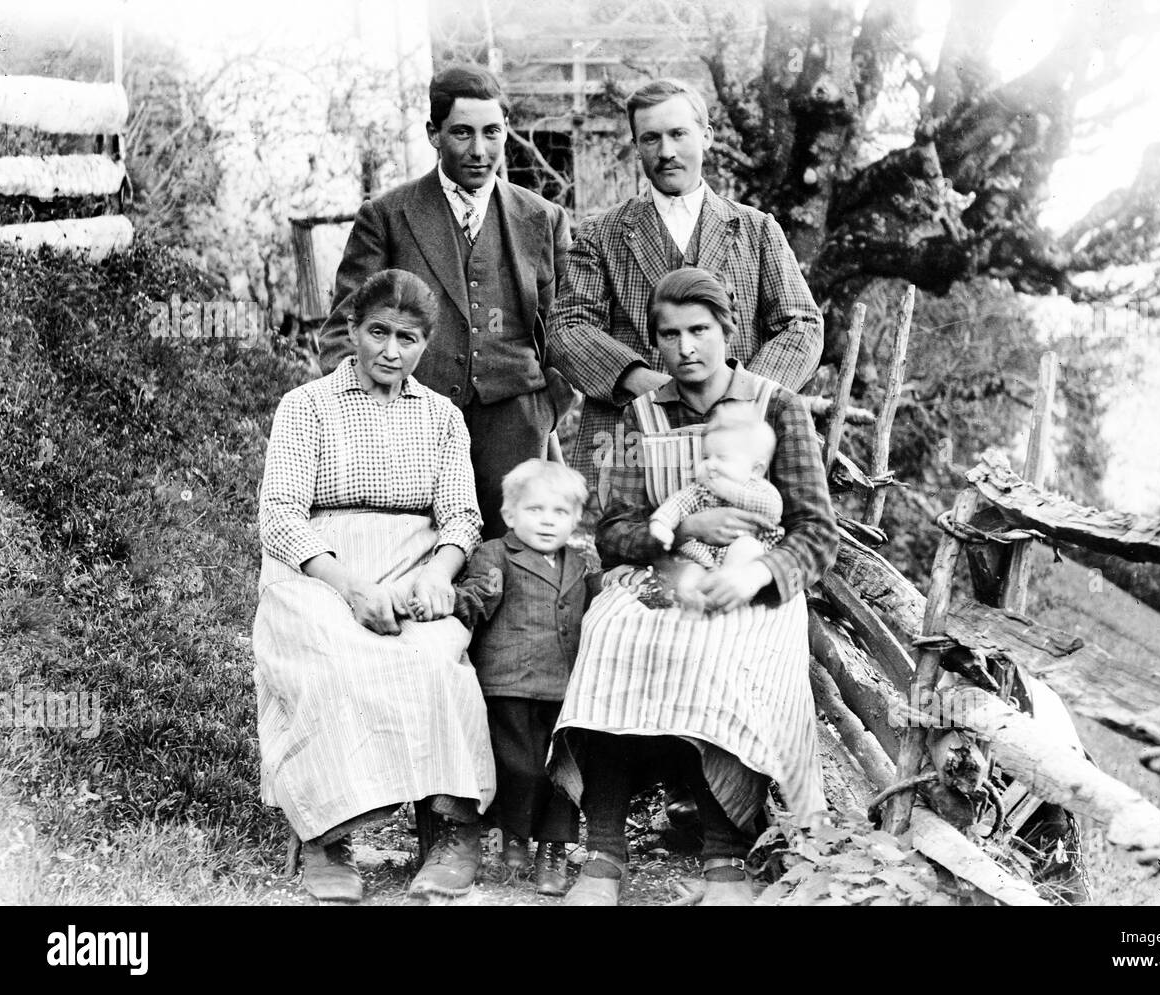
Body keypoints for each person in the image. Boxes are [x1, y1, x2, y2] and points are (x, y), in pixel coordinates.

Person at [549, 268, 838, 907]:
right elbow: (614, 530)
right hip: (666, 570)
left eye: (700, 330)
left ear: (728, 330)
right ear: (655, 342)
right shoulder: (638, 415)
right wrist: (679, 528)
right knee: (609, 632)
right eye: (670, 334)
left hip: (753, 577)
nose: (686, 348)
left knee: (720, 652)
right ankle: (603, 855)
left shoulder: (776, 407)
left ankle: (724, 857)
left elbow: (818, 532)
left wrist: (757, 572)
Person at [254, 269, 494, 905]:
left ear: (426, 345)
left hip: (412, 572)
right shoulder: (307, 407)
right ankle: (326, 836)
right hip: (319, 576)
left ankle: (451, 829)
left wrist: (440, 573)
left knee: (436, 656)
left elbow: (462, 516)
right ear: (352, 332)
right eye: (378, 333)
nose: (392, 350)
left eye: (408, 338)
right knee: (333, 660)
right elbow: (280, 515)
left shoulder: (442, 416)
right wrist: (350, 586)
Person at [546, 77, 823, 514]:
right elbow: (567, 328)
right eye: (651, 138)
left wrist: (740, 395)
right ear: (637, 146)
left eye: (678, 134)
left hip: (738, 442)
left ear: (707, 136)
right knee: (630, 558)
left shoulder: (756, 229)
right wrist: (645, 384)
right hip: (631, 440)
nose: (666, 151)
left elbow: (801, 324)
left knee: (738, 553)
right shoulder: (601, 234)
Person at [317, 63, 571, 540]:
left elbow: (566, 329)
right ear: (434, 133)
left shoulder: (542, 218)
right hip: (413, 424)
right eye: (462, 133)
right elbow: (342, 329)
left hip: (515, 426)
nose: (479, 150)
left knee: (513, 563)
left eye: (492, 132)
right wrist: (371, 409)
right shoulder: (387, 216)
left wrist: (545, 408)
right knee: (421, 563)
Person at [429, 459, 597, 897]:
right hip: (509, 683)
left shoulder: (580, 563)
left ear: (575, 519)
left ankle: (554, 850)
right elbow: (467, 607)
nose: (546, 521)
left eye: (559, 512)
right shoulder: (495, 554)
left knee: (562, 772)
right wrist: (477, 594)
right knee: (519, 767)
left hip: (565, 686)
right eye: (535, 510)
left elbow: (595, 614)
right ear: (509, 515)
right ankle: (514, 837)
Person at [648, 408, 784, 613]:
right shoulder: (701, 490)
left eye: (722, 458)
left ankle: (726, 592)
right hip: (701, 554)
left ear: (756, 470)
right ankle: (693, 599)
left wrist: (728, 491)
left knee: (748, 548)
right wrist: (662, 524)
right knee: (687, 573)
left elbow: (773, 510)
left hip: (742, 556)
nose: (710, 465)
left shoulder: (759, 489)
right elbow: (677, 503)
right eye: (706, 457)